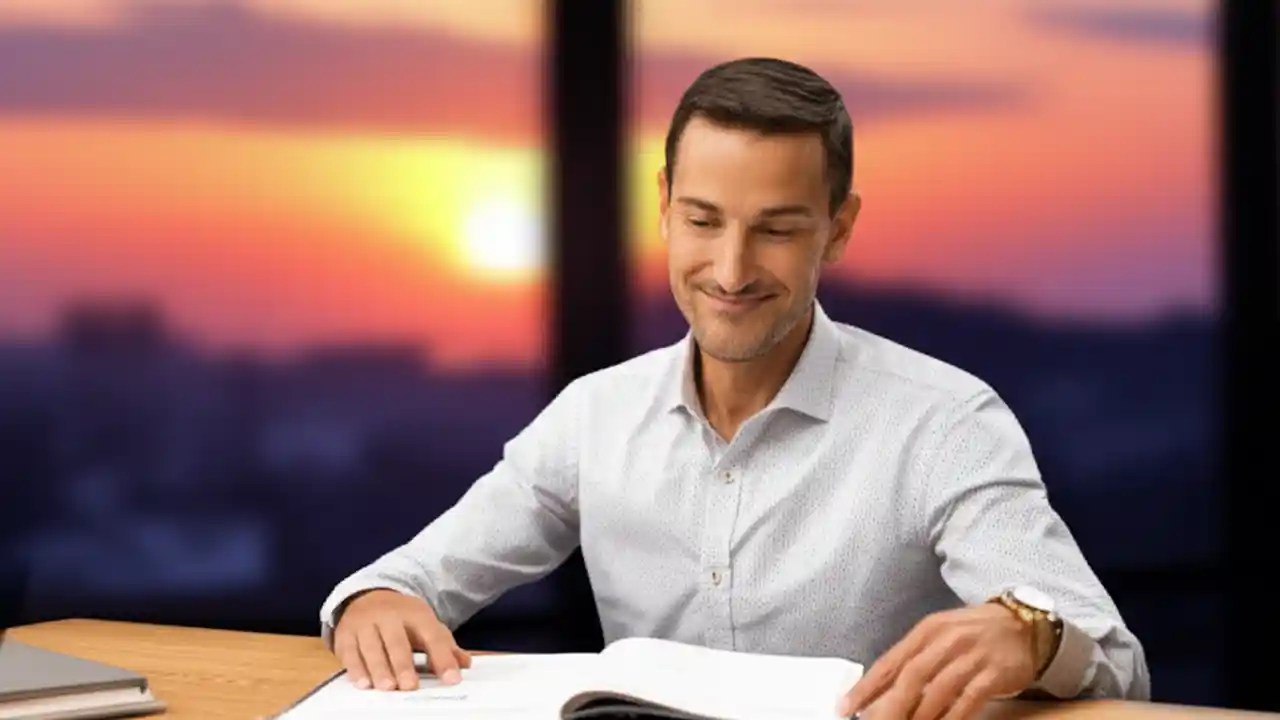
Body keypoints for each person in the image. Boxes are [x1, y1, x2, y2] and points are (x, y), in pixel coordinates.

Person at [319, 57, 1150, 719]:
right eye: (704, 220)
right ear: (665, 207)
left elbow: (1115, 664)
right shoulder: (595, 414)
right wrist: (378, 599)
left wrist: (1030, 633)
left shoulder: (943, 420)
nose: (731, 270)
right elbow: (409, 579)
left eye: (778, 229)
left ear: (840, 227)